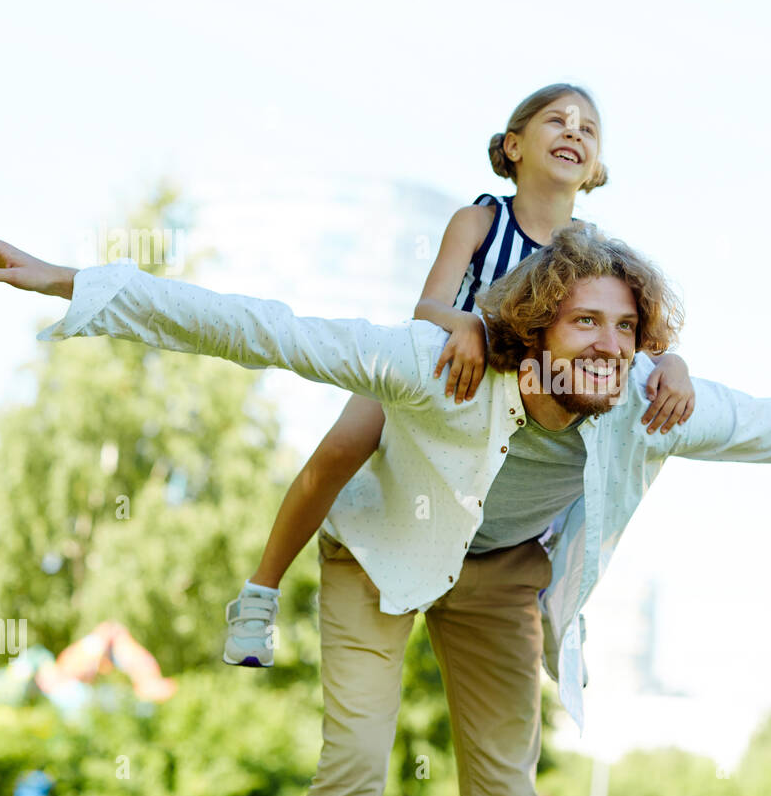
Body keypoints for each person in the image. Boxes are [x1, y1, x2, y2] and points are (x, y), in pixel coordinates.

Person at [0, 215, 771, 796]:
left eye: (628, 331)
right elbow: (256, 326)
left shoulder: (649, 404)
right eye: (588, 324)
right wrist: (68, 280)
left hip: (505, 583)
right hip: (381, 561)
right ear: (538, 323)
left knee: (504, 790)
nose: (611, 349)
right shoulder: (443, 364)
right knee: (352, 772)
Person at [225, 82, 693, 667]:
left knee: (603, 469)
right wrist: (467, 325)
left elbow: (634, 345)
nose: (574, 132)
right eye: (558, 121)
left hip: (534, 414)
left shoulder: (596, 253)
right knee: (344, 445)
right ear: (514, 146)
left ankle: (561, 608)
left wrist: (674, 363)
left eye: (588, 128)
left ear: (595, 167)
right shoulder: (479, 220)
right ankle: (260, 593)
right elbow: (427, 308)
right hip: (448, 373)